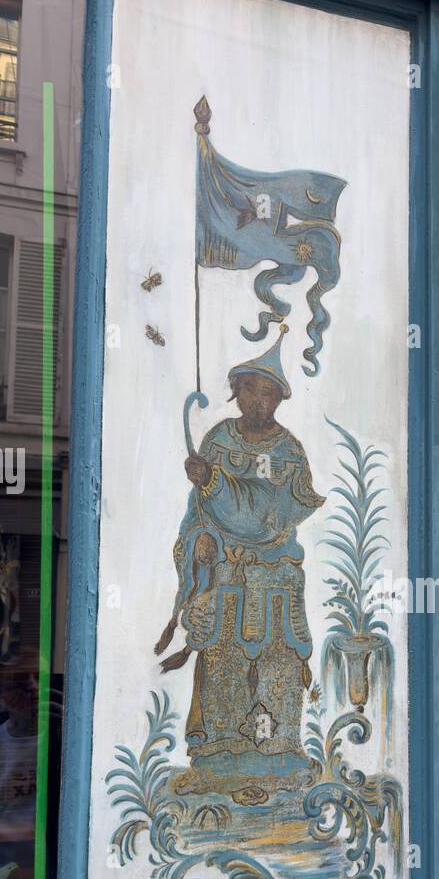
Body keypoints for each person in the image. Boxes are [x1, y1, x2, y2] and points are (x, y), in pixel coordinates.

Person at [155, 327, 325, 805]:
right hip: (227, 576)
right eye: (251, 390)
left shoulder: (287, 453)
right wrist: (202, 541)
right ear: (237, 392)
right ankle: (220, 761)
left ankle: (277, 760)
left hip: (275, 579)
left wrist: (214, 483)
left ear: (279, 399)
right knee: (223, 664)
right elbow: (198, 515)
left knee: (277, 665)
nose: (259, 402)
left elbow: (267, 513)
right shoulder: (218, 440)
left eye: (268, 394)